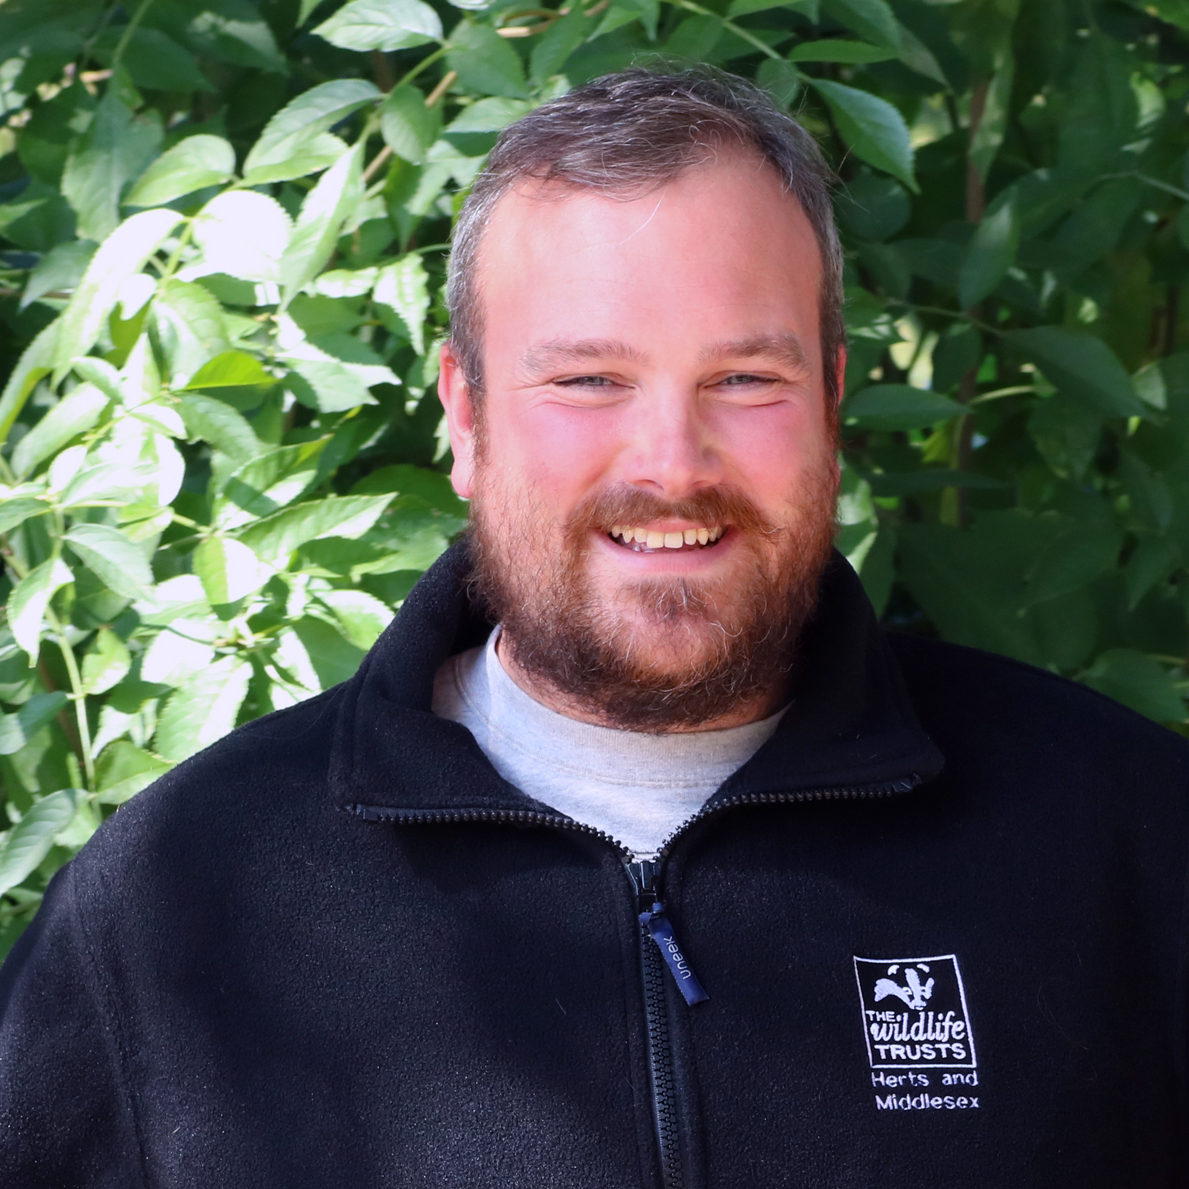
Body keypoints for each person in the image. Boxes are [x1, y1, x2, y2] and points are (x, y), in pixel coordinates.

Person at [1, 66, 1187, 1189]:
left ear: (831, 401)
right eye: (585, 381)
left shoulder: (1123, 837)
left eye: (744, 381)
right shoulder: (179, 903)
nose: (671, 464)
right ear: (464, 417)